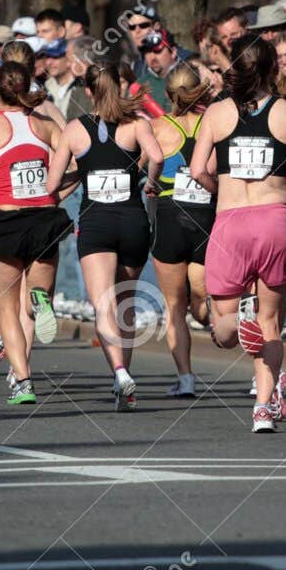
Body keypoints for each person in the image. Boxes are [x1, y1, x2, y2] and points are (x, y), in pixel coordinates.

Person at [190, 35, 286, 432]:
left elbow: (198, 168)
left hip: (231, 220)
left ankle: (235, 326)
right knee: (270, 322)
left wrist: (224, 191)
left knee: (223, 321)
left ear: (233, 69)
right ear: (273, 69)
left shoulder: (216, 113)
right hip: (274, 218)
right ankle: (263, 409)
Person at [0, 60, 73, 406]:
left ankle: (23, 382)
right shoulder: (45, 125)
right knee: (33, 298)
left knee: (7, 308)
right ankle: (42, 300)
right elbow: (74, 164)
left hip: (6, 220)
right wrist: (52, 189)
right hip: (44, 216)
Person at [61, 65, 163, 409]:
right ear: (119, 86)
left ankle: (119, 371)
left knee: (103, 304)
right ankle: (126, 387)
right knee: (125, 305)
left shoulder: (75, 129)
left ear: (88, 92)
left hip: (96, 224)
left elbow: (51, 182)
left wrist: (82, 172)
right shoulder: (137, 123)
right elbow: (159, 156)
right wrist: (149, 182)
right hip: (133, 221)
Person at [150, 63, 217, 396]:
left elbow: (142, 167)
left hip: (169, 218)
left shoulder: (158, 127)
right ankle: (221, 324)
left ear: (167, 94)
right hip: (206, 217)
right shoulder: (213, 123)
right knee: (202, 299)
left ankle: (186, 379)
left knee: (174, 307)